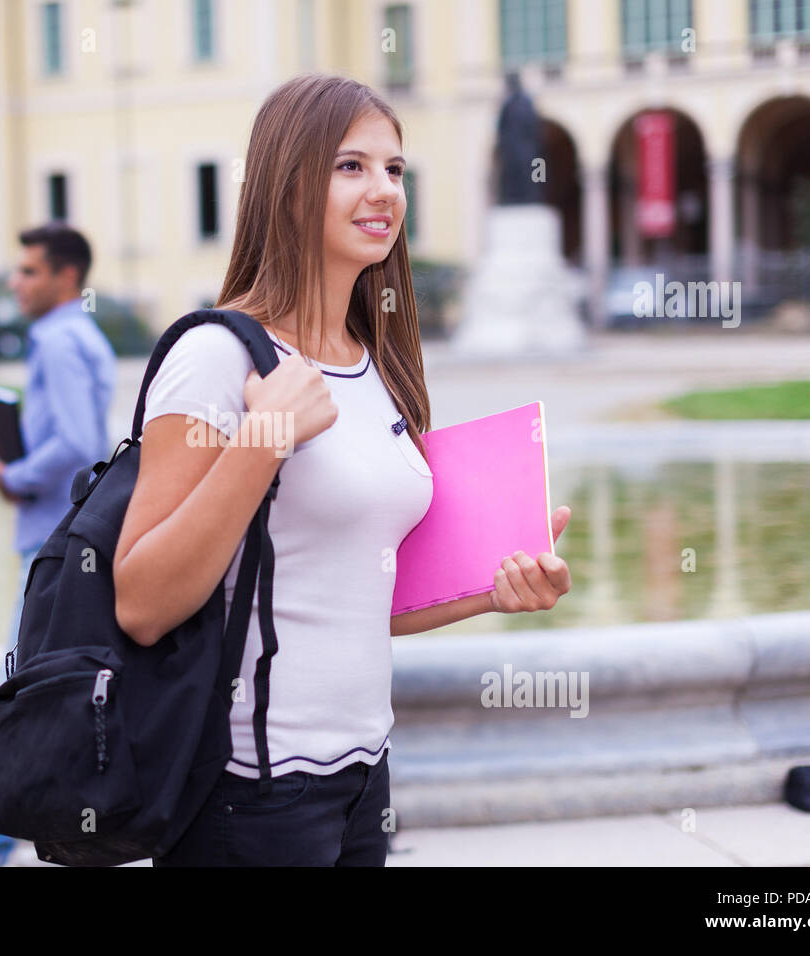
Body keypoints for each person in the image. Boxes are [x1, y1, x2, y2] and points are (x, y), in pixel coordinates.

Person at [116, 73, 575, 867]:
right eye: (350, 166)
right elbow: (143, 601)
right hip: (246, 794)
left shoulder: (377, 364)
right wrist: (262, 441)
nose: (383, 190)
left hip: (364, 779)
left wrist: (491, 591)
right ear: (289, 186)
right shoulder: (215, 358)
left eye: (394, 169)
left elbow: (351, 598)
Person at [0, 223, 118, 866]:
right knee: (46, 691)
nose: (16, 281)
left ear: (65, 277)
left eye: (29, 271)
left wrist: (13, 475)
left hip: (58, 546)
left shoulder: (58, 339)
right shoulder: (81, 334)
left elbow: (81, 442)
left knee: (24, 694)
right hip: (68, 539)